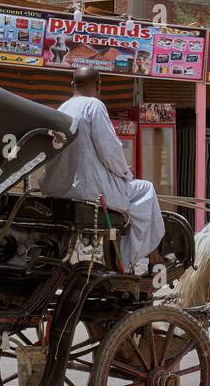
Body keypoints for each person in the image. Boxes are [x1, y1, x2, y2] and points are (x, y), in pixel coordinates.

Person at [41, 66, 164, 272]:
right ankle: (134, 258)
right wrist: (126, 173)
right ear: (98, 86)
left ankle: (139, 255)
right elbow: (110, 151)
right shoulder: (94, 106)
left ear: (72, 85)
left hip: (60, 190)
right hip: (92, 193)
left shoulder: (61, 109)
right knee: (147, 190)